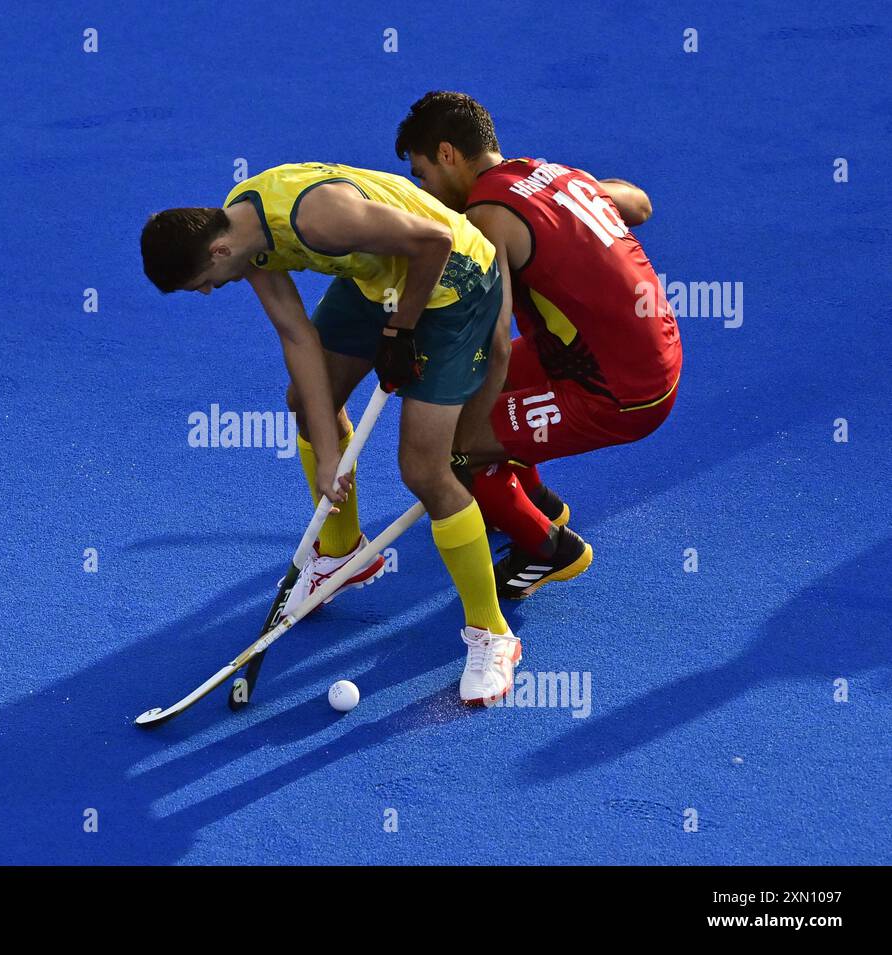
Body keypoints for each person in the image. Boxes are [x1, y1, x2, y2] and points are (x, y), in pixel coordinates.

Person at [141, 162, 521, 702]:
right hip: (377, 281)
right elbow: (297, 337)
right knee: (304, 403)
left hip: (449, 284)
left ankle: (492, 632)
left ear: (218, 252)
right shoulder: (242, 227)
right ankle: (344, 553)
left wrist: (401, 329)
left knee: (423, 470)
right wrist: (325, 457)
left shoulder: (319, 221)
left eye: (201, 284)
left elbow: (435, 240)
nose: (206, 293)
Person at [395, 92, 682, 599]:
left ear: (446, 154)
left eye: (423, 174)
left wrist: (471, 433)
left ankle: (550, 548)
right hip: (646, 351)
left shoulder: (488, 217)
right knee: (475, 405)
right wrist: (585, 196)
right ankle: (537, 501)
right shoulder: (553, 174)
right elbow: (640, 204)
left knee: (451, 446)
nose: (427, 191)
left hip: (618, 392)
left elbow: (495, 342)